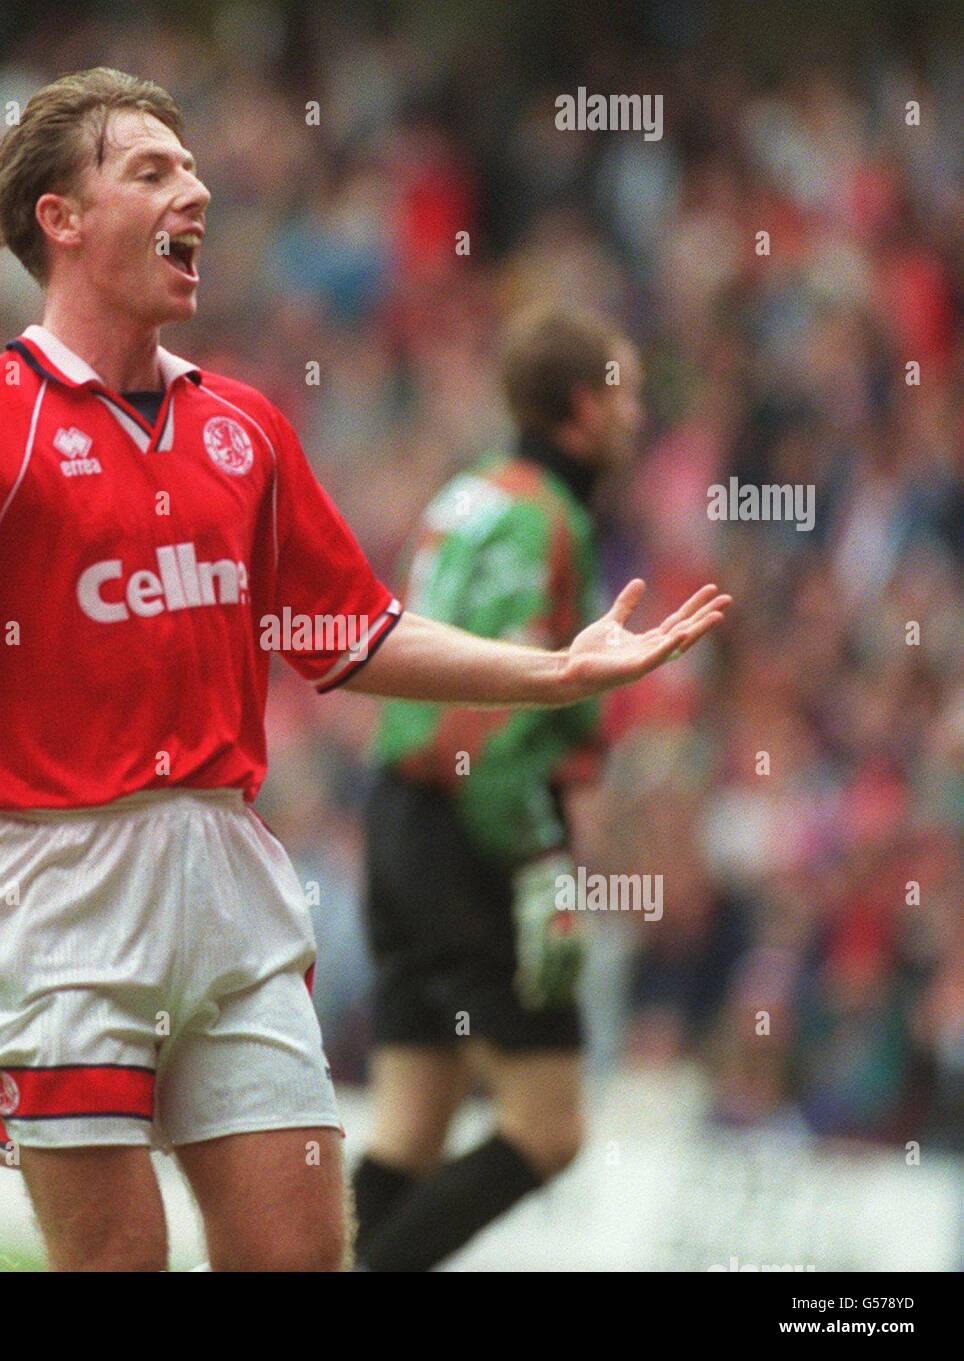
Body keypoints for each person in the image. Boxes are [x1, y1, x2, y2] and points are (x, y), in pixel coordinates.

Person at [0, 68, 729, 1272]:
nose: (194, 188)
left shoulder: (240, 427)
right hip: (61, 886)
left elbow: (348, 632)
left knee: (301, 1255)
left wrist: (550, 669)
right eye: (149, 170)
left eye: (189, 168)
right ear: (61, 218)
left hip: (231, 875)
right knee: (117, 1262)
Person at [353, 307, 650, 1271]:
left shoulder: (466, 494)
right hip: (472, 826)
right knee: (550, 1124)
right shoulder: (546, 519)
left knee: (412, 1122)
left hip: (396, 818)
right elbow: (495, 716)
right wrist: (539, 862)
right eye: (626, 391)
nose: (639, 413)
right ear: (582, 405)